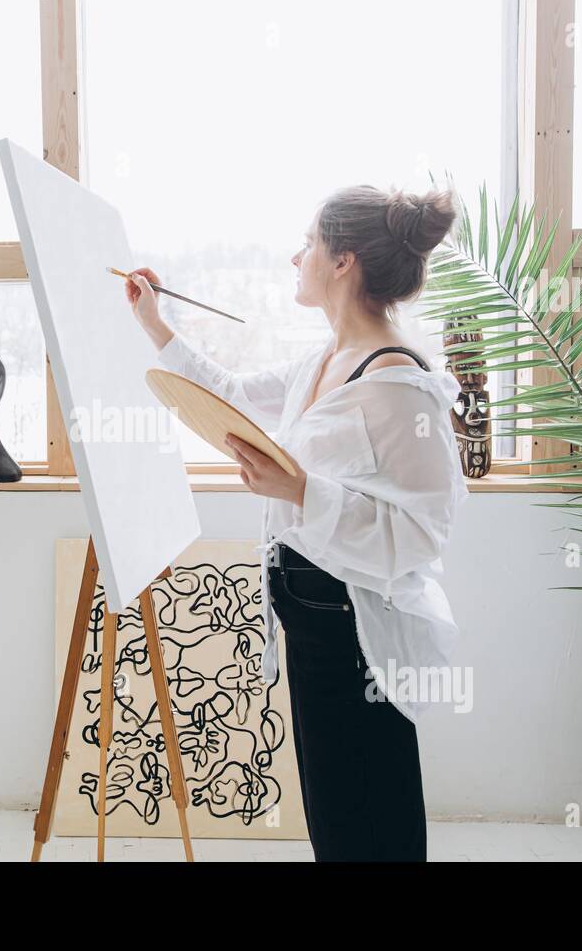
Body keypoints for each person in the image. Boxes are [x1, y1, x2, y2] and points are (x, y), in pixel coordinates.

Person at [125, 185, 469, 861]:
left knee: (372, 820)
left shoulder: (398, 383)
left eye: (308, 243)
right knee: (335, 822)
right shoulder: (322, 360)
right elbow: (231, 396)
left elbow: (429, 530)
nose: (295, 257)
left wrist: (303, 491)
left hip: (356, 639)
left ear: (343, 261)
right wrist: (154, 323)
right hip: (310, 630)